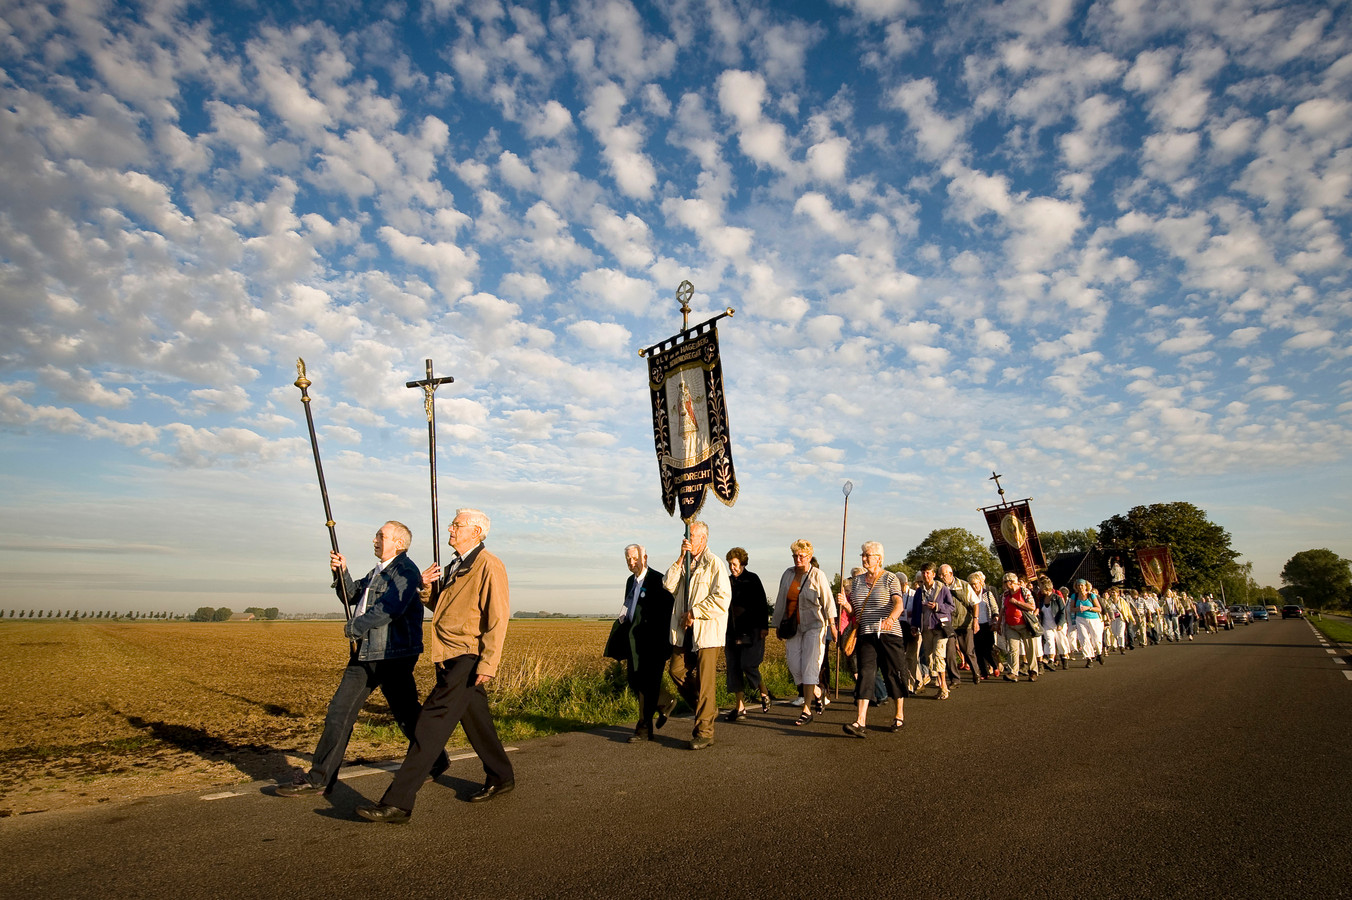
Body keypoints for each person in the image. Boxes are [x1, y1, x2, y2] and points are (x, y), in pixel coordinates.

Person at [357, 508, 514, 824]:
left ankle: (398, 803)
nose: (450, 529)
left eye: (457, 525)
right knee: (477, 722)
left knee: (429, 724)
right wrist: (429, 590)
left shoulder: (488, 564)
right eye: (452, 524)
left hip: (468, 656)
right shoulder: (457, 564)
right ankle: (501, 776)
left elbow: (498, 616)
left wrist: (489, 662)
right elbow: (442, 608)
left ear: (476, 532)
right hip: (449, 655)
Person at [276, 521, 449, 797]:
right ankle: (320, 779)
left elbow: (390, 608)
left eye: (381, 536)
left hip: (393, 654)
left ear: (399, 543)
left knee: (406, 714)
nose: (374, 540)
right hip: (365, 653)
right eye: (376, 535)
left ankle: (435, 759)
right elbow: (352, 595)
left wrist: (354, 627)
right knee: (339, 712)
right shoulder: (377, 571)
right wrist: (341, 572)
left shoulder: (406, 571)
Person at [664, 520, 731, 751]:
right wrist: (680, 558)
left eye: (690, 536)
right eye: (686, 536)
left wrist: (695, 612)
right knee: (676, 670)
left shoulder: (714, 563)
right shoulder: (686, 563)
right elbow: (668, 585)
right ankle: (707, 710)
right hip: (685, 632)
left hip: (706, 632)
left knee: (705, 683)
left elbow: (722, 598)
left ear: (703, 539)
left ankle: (704, 732)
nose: (686, 539)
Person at [837, 542, 908, 736]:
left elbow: (898, 603)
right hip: (866, 634)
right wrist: (846, 605)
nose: (864, 558)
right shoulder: (857, 582)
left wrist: (890, 619)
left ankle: (899, 715)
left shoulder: (890, 578)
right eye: (862, 555)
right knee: (865, 673)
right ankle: (860, 721)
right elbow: (855, 612)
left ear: (879, 558)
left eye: (867, 555)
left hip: (889, 633)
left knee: (892, 673)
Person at [771, 540, 837, 725]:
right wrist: (777, 624)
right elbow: (781, 600)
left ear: (809, 556)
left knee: (810, 667)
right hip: (793, 627)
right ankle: (817, 691)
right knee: (794, 666)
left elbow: (828, 601)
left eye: (801, 556)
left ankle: (806, 710)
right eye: (795, 556)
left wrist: (832, 625)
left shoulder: (818, 575)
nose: (798, 559)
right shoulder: (788, 574)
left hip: (814, 626)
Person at [617, 544, 676, 742]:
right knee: (634, 681)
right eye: (628, 559)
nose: (631, 563)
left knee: (647, 685)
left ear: (645, 558)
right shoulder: (630, 582)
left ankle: (643, 729)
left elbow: (667, 612)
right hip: (634, 642)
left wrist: (663, 642)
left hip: (654, 642)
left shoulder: (658, 580)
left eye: (635, 558)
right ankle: (665, 701)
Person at [724, 547, 771, 720]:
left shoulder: (752, 579)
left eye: (734, 564)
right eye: (730, 564)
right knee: (733, 668)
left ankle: (763, 691)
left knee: (748, 664)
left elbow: (762, 603)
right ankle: (740, 707)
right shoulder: (727, 581)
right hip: (732, 630)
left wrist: (764, 627)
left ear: (742, 563)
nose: (732, 568)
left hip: (752, 630)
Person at [909, 562, 956, 699]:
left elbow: (951, 607)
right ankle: (941, 686)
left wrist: (937, 606)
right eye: (923, 572)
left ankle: (944, 688)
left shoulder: (942, 589)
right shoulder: (919, 592)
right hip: (926, 628)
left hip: (940, 628)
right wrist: (914, 626)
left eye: (928, 572)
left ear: (934, 574)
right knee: (930, 659)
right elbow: (916, 610)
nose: (925, 575)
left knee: (938, 656)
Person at [940, 564, 978, 685]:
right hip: (948, 623)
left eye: (944, 575)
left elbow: (975, 603)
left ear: (951, 574)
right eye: (940, 575)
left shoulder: (964, 585)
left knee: (967, 650)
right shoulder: (940, 587)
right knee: (949, 652)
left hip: (964, 622)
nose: (942, 577)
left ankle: (976, 672)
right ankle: (955, 679)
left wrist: (975, 620)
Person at [999, 573, 1039, 682]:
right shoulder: (1005, 594)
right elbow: (1002, 609)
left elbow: (1032, 606)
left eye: (1005, 582)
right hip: (1011, 625)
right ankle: (1013, 672)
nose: (1004, 585)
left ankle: (1033, 670)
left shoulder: (1024, 591)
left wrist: (1017, 602)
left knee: (1030, 648)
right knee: (1013, 649)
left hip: (1025, 624)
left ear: (1011, 582)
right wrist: (999, 624)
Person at [969, 571, 1000, 680]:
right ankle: (984, 672)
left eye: (975, 584)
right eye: (971, 584)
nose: (974, 586)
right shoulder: (969, 595)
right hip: (975, 624)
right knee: (978, 649)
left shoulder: (987, 594)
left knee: (987, 648)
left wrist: (995, 618)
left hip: (987, 623)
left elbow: (994, 607)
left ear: (980, 583)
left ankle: (994, 666)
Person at [1070, 578, 1104, 667]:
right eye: (1078, 585)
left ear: (1086, 586)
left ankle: (1099, 653)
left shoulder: (1091, 596)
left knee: (1096, 637)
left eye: (1082, 585)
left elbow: (1099, 609)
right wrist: (1078, 609)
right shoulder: (1074, 596)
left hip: (1093, 619)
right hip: (1080, 619)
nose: (1080, 587)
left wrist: (1088, 608)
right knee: (1084, 638)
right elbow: (1071, 609)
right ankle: (1088, 658)